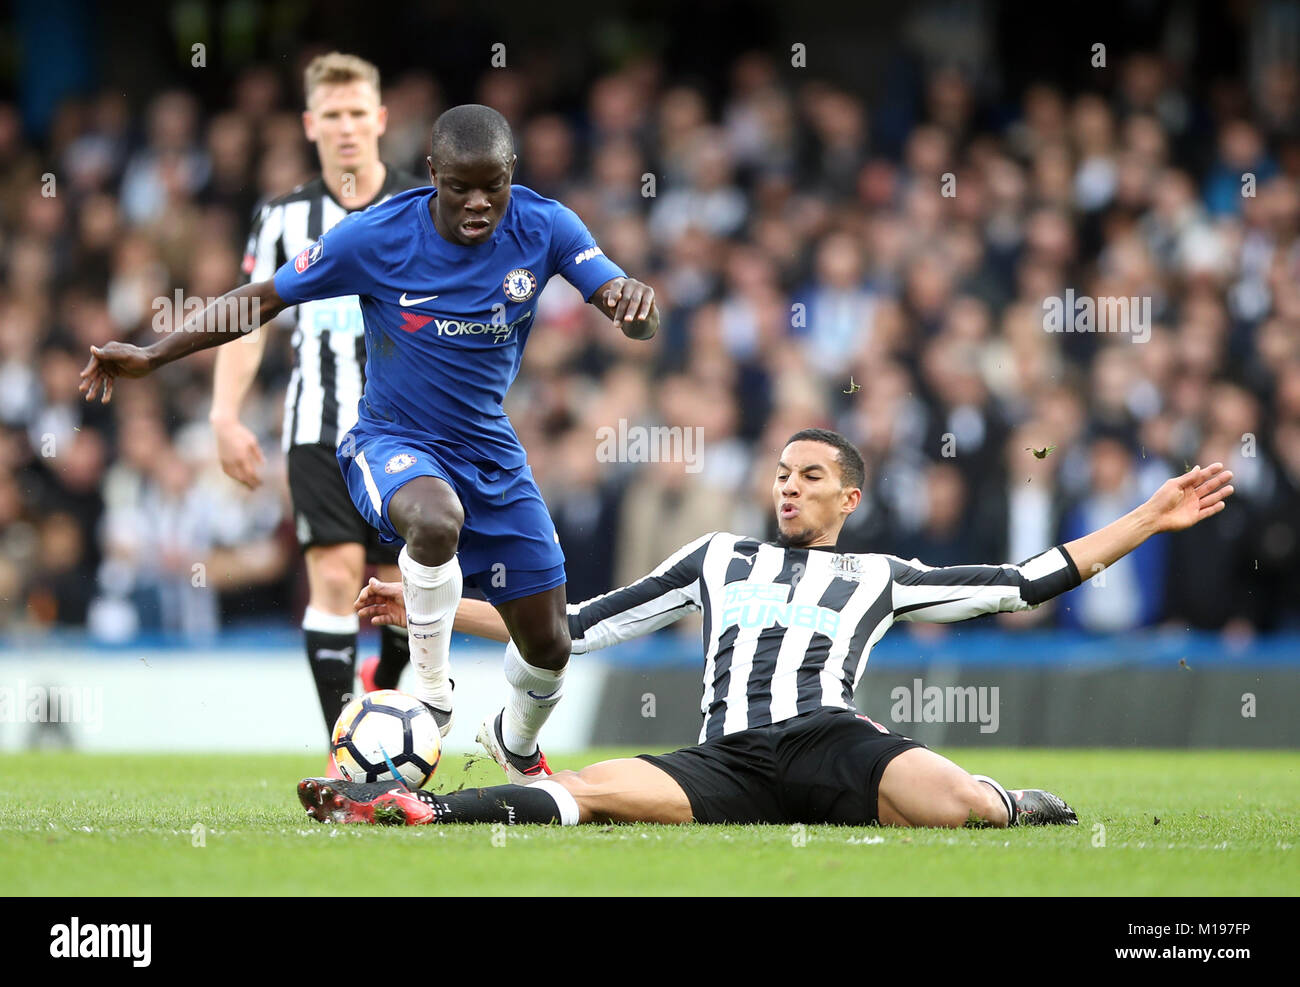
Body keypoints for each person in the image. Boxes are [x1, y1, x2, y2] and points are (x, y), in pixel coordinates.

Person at [80, 103, 659, 786]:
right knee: (436, 520)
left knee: (550, 643)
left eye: (493, 186)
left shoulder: (548, 225)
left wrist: (635, 305)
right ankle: (434, 694)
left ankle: (515, 741)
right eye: (460, 187)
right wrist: (153, 354)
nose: (479, 203)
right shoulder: (375, 236)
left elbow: (628, 308)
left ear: (512, 175)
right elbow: (261, 298)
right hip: (391, 441)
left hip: (493, 454)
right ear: (433, 173)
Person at [295, 427, 1235, 829]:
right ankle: (414, 809)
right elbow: (572, 628)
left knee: (973, 815)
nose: (789, 484)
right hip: (727, 758)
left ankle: (1011, 797)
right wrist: (435, 610)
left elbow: (1025, 582)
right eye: (782, 471)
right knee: (586, 792)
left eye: (811, 475)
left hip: (833, 741)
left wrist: (1149, 515)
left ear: (850, 495)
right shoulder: (714, 558)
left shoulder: (882, 574)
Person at [211, 52, 424, 755]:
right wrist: (224, 413)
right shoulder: (282, 217)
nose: (346, 127)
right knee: (335, 574)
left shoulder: (422, 209)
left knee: (399, 585)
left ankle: (389, 723)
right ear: (310, 124)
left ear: (381, 119)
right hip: (317, 428)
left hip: (407, 429)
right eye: (331, 115)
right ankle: (346, 744)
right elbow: (246, 323)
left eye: (358, 113)